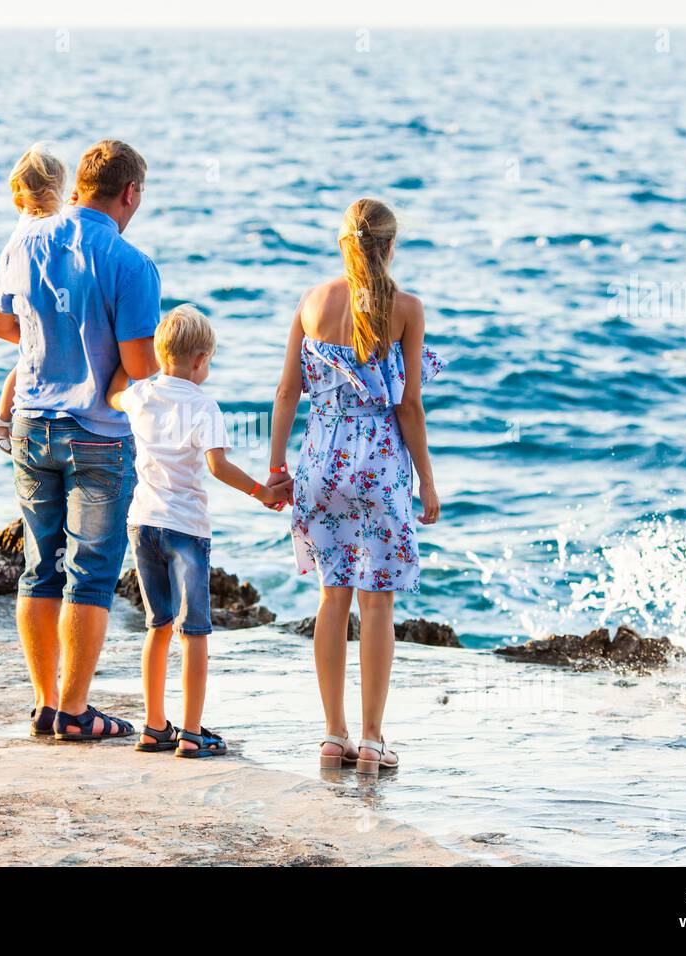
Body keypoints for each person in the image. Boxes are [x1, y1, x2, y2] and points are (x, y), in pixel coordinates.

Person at [0, 139, 160, 741]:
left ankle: (44, 702)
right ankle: (76, 713)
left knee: (40, 566)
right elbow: (139, 365)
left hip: (32, 422)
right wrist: (98, 362)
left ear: (80, 184)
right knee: (90, 573)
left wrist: (50, 344)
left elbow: (1, 321)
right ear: (130, 193)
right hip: (98, 436)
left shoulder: (28, 238)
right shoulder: (132, 264)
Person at [267, 197, 445, 775]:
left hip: (319, 461)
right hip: (380, 468)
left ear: (343, 243)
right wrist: (427, 482)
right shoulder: (407, 309)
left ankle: (331, 734)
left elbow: (287, 393)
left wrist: (277, 468)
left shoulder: (312, 302)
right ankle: (371, 739)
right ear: (390, 247)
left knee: (330, 597)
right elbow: (410, 406)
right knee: (376, 606)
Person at [106, 305, 292, 757]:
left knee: (158, 625)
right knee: (195, 631)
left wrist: (118, 353)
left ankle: (154, 726)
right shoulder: (204, 405)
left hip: (142, 522)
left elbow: (114, 393)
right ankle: (191, 733)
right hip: (186, 529)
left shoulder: (142, 395)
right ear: (200, 360)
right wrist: (260, 493)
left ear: (159, 352)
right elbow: (217, 465)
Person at [0, 144, 68, 455]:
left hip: (34, 326)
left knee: (26, 360)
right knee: (26, 360)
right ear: (61, 188)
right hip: (50, 327)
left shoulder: (18, 237)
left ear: (18, 195)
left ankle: (2, 417)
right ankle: (1, 416)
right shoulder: (61, 232)